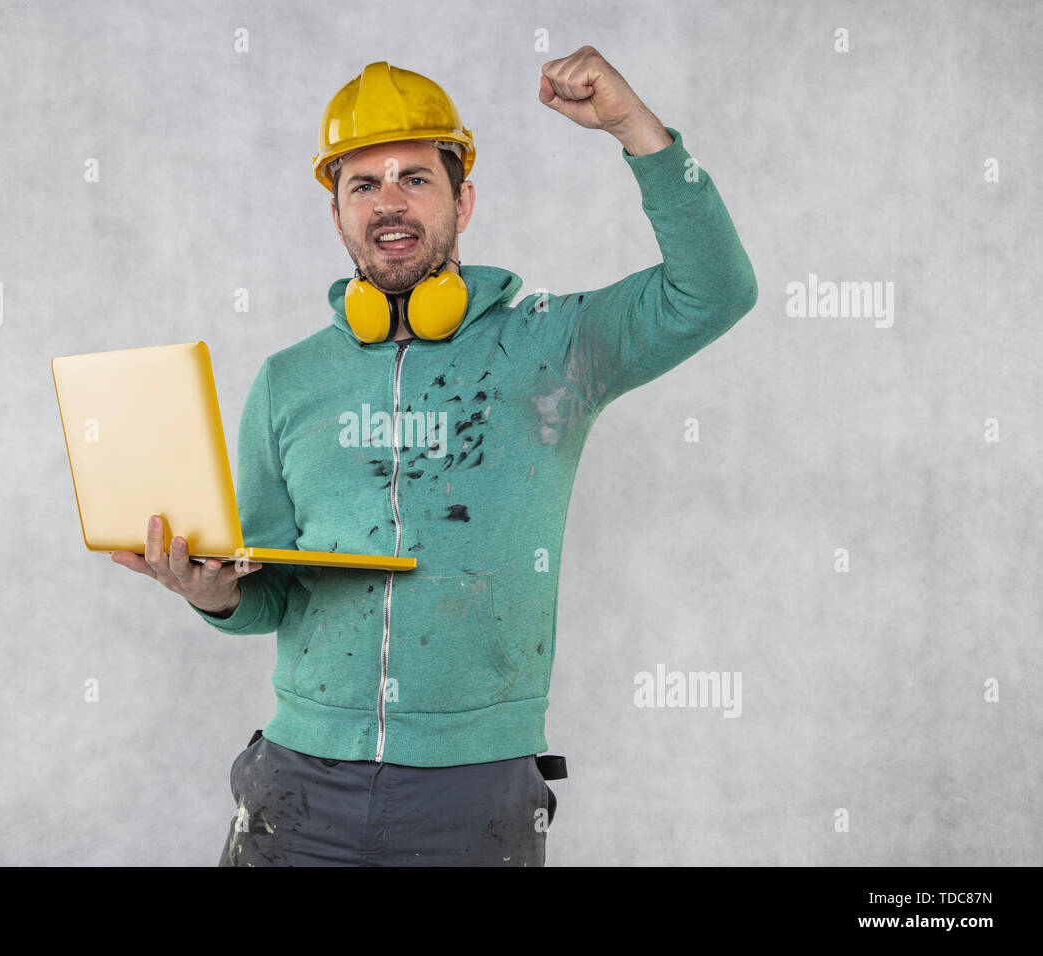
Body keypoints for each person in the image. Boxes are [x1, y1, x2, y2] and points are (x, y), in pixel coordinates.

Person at [110, 46, 758, 866]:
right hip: (298, 785)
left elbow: (715, 290)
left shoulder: (553, 346)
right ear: (337, 214)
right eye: (363, 184)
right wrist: (215, 596)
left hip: (473, 794)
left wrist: (635, 127)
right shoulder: (287, 381)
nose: (390, 203)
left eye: (416, 178)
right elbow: (269, 595)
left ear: (465, 200)